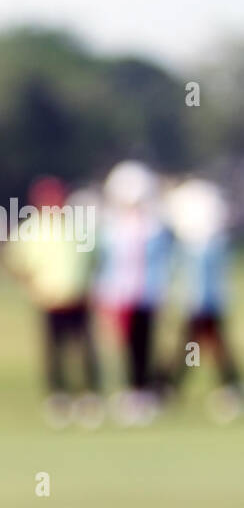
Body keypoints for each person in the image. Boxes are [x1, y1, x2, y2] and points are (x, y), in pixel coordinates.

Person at [4, 175, 103, 428]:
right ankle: (58, 398)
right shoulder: (30, 229)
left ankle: (89, 397)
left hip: (78, 298)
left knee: (84, 350)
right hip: (48, 300)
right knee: (54, 352)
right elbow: (17, 263)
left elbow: (94, 259)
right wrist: (34, 288)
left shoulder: (77, 226)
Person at [94, 160, 175, 425]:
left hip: (148, 294)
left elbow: (164, 262)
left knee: (146, 344)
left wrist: (165, 291)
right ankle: (132, 390)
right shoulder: (112, 228)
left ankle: (145, 390)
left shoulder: (155, 227)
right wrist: (104, 295)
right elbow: (105, 264)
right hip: (121, 295)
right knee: (126, 345)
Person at [164, 177, 241, 422]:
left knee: (217, 348)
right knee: (191, 348)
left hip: (211, 305)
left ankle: (228, 386)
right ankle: (177, 385)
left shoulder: (215, 245)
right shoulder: (188, 248)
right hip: (194, 305)